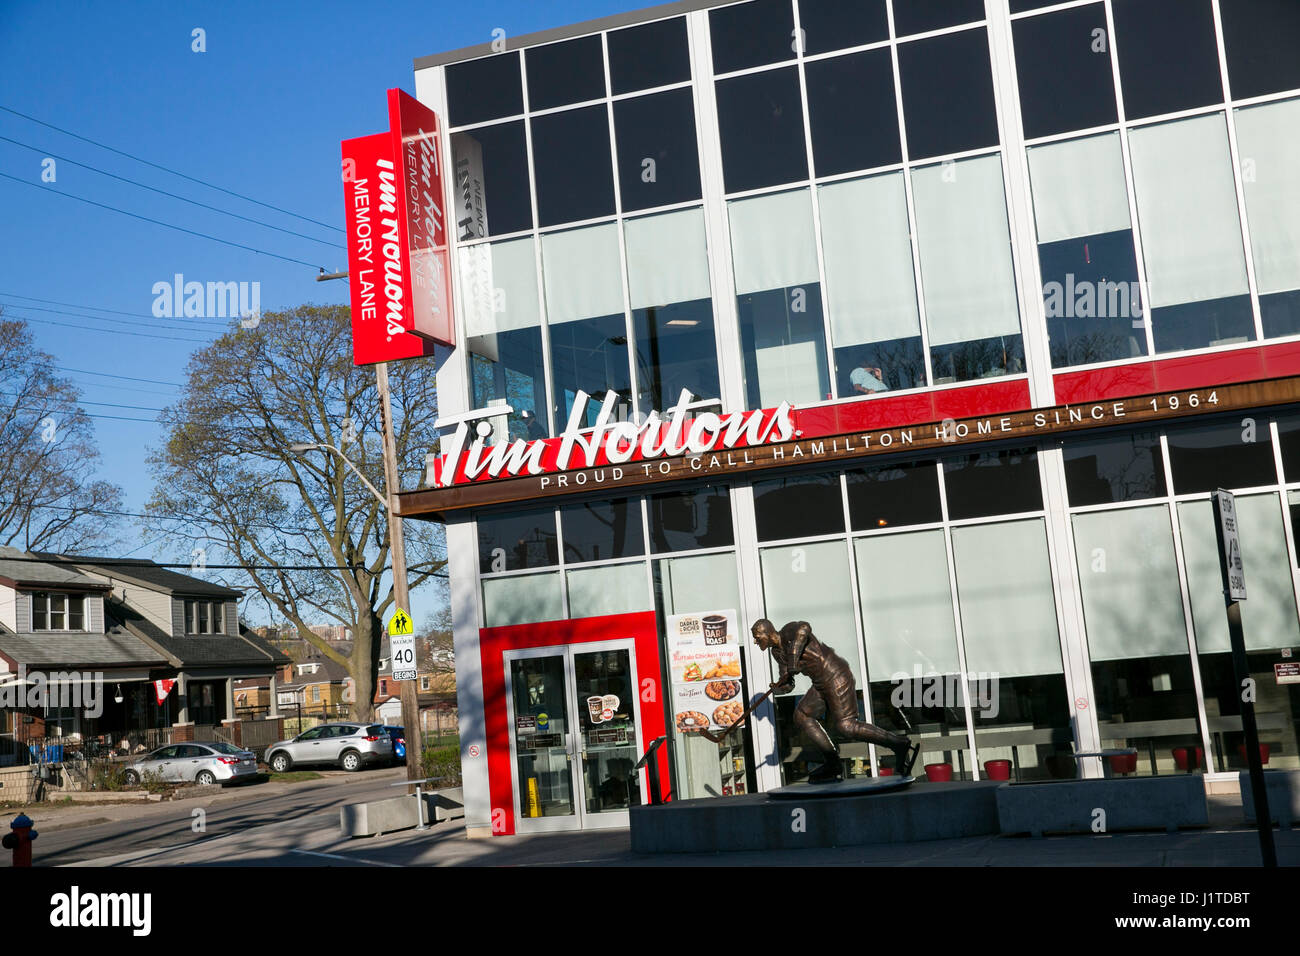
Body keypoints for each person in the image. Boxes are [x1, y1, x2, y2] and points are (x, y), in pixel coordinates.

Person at [752, 618, 918, 782]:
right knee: (802, 715)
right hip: (820, 684)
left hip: (835, 675)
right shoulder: (777, 653)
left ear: (766, 632)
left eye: (757, 636)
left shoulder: (788, 631)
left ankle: (898, 744)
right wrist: (779, 688)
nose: (755, 641)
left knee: (846, 725)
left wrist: (793, 659)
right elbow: (788, 681)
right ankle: (833, 763)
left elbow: (804, 628)